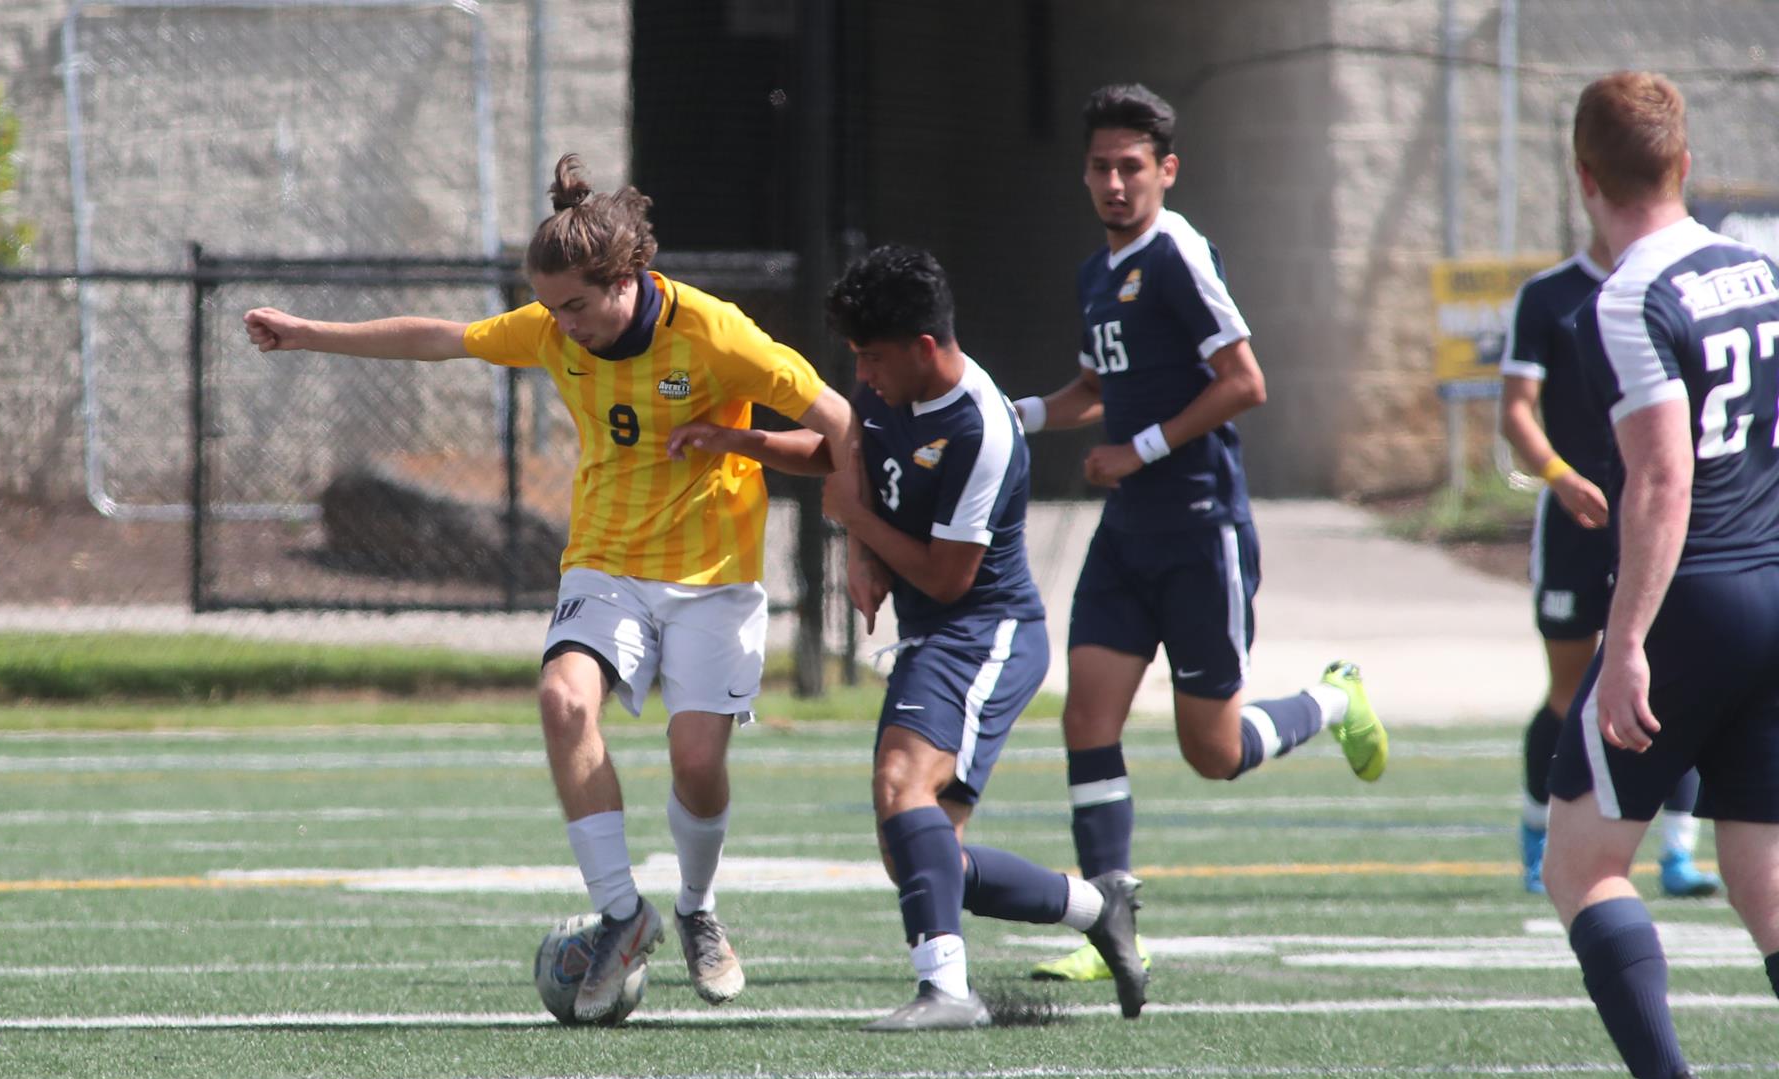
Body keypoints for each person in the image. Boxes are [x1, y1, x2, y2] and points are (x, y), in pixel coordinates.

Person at [243, 155, 856, 1023]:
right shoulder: (554, 328)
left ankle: (695, 907)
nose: (559, 326)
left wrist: (850, 534)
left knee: (698, 767)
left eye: (574, 306)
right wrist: (311, 333)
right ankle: (620, 914)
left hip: (715, 576)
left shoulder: (719, 334)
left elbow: (838, 423)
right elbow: (440, 338)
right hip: (604, 558)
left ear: (627, 279)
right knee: (564, 702)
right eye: (550, 307)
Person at [670, 245, 1145, 1029]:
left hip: (985, 634)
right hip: (936, 637)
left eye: (871, 357)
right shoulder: (892, 387)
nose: (862, 375)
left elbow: (948, 577)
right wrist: (737, 443)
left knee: (900, 784)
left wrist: (855, 525)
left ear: (924, 347)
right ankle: (1098, 906)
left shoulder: (981, 429)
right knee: (919, 854)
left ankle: (947, 991)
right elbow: (844, 451)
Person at [1010, 84, 1389, 995]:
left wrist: (1137, 449)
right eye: (1100, 166)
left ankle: (1333, 701)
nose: (1113, 182)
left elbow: (1244, 379)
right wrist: (1008, 415)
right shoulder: (1097, 271)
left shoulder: (1176, 252)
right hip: (1127, 534)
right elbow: (1092, 390)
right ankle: (1108, 917)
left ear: (1165, 171)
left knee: (1211, 752)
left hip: (1199, 527)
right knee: (1086, 715)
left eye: (1130, 167)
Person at [1545, 70, 1779, 1079]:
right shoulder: (1760, 268)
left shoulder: (1629, 294)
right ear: (1682, 164)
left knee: (1581, 860)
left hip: (1693, 595)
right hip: (1771, 583)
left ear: (1583, 177)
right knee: (1760, 860)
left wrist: (1626, 639)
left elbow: (1662, 477)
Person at [1500, 238, 1721, 900]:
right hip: (1577, 524)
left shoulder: (1678, 288)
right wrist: (1560, 477)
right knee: (1569, 690)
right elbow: (1516, 409)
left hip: (1659, 519)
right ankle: (1539, 835)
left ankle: (1678, 850)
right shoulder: (1549, 295)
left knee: (1671, 687)